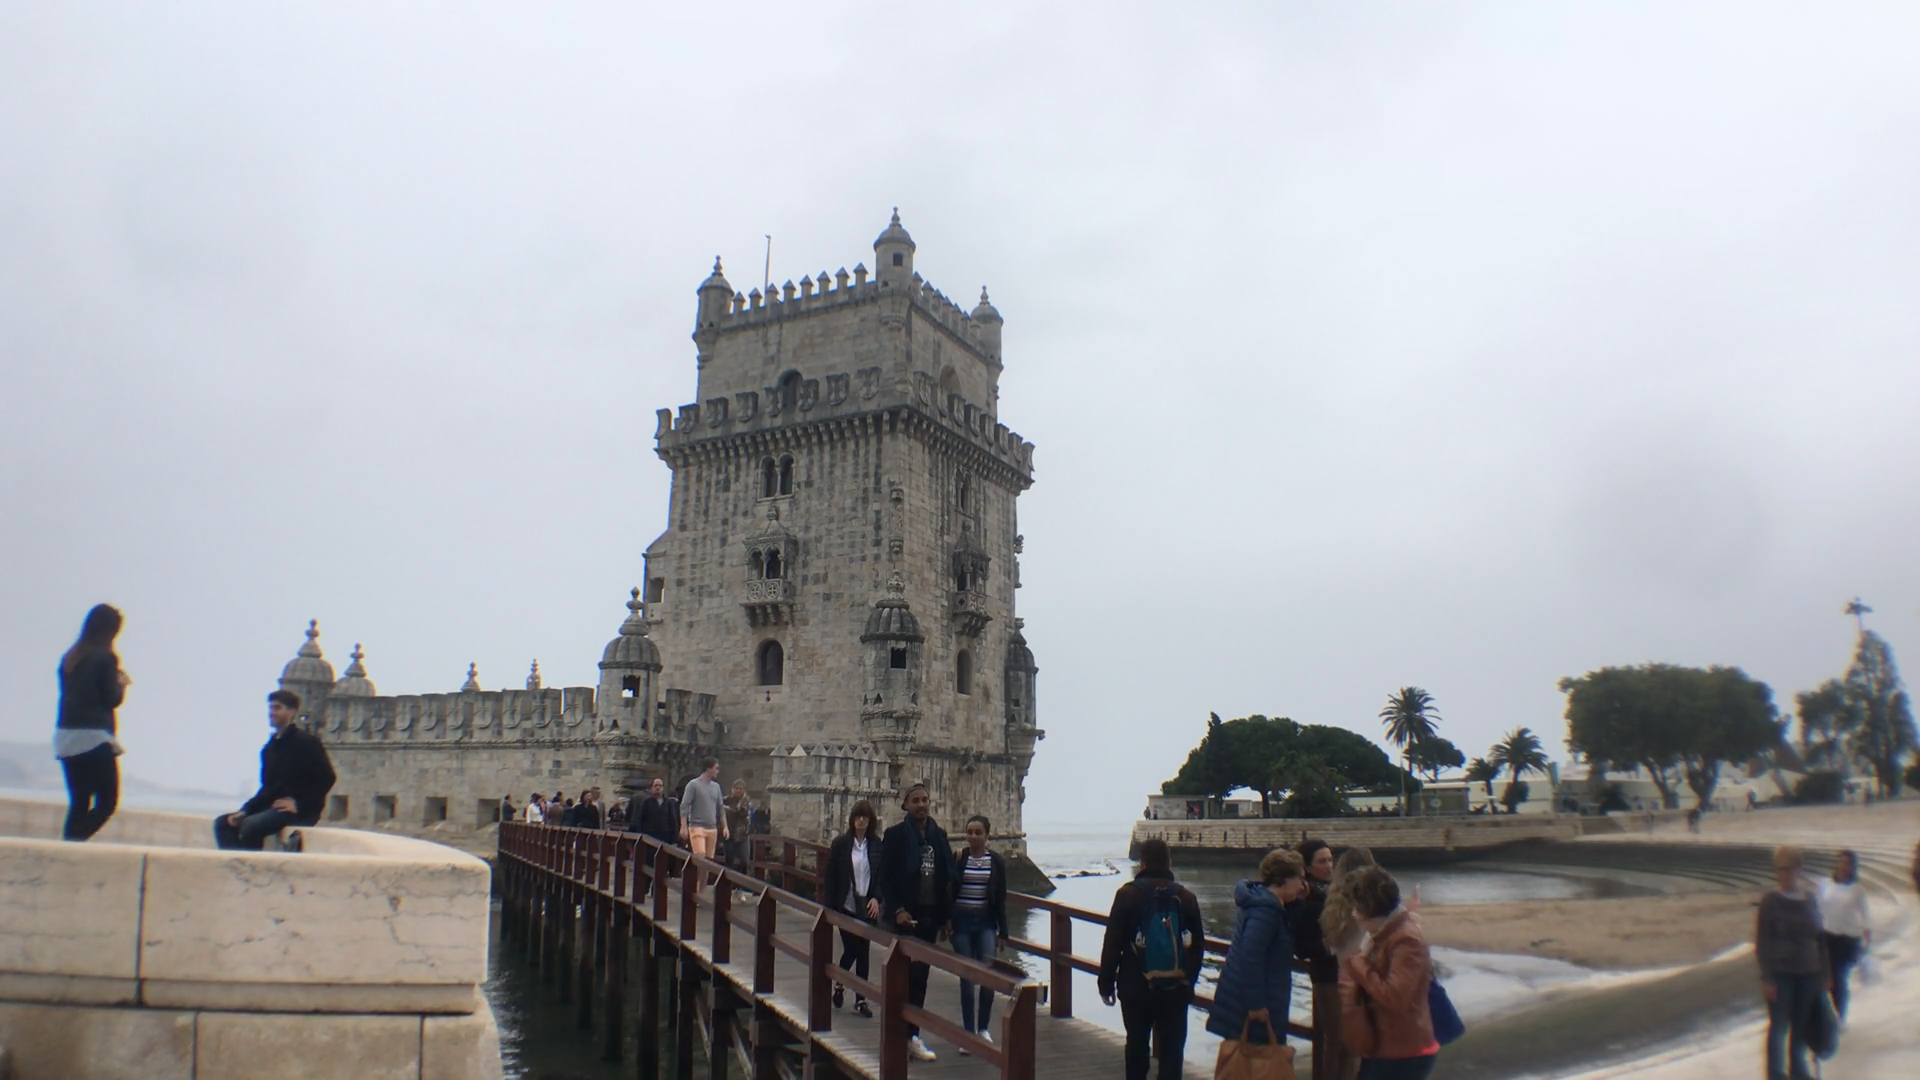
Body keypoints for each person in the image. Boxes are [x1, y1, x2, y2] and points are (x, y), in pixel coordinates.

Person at [1099, 837, 1204, 1080]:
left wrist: (1106, 983)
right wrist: (1189, 980)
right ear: (1169, 862)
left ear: (1142, 862)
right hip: (1176, 987)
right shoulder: (1186, 897)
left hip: (1136, 985)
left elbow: (1112, 942)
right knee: (1172, 1052)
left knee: (1136, 1045)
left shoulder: (1127, 895)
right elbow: (1198, 945)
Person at [1338, 867, 1438, 1080]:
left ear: (1370, 908)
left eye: (1358, 908)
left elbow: (1395, 997)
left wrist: (1358, 965)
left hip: (1403, 1050)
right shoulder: (1383, 934)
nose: (1355, 915)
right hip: (1386, 1044)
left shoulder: (1405, 940)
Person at [879, 783, 955, 1062]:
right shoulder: (895, 836)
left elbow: (945, 880)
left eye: (925, 800)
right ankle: (899, 1033)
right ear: (905, 806)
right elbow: (883, 879)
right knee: (903, 977)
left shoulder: (938, 836)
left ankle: (912, 1035)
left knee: (921, 978)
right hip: (904, 918)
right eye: (916, 801)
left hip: (929, 917)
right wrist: (897, 909)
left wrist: (946, 917)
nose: (922, 805)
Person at [1207, 848, 1308, 1051]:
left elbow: (1285, 929)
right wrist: (1256, 1005)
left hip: (1242, 1000)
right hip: (1254, 1006)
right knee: (1259, 1063)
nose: (1303, 885)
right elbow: (1251, 956)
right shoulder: (1266, 911)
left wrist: (1297, 902)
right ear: (1284, 879)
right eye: (1300, 879)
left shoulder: (1265, 902)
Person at [214, 690, 336, 850]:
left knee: (251, 826)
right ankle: (239, 865)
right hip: (272, 809)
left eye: (277, 708)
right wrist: (244, 811)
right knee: (223, 823)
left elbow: (327, 777)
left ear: (291, 711)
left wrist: (299, 804)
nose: (272, 713)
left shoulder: (306, 742)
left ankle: (253, 868)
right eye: (270, 708)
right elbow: (267, 790)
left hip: (297, 812)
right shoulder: (269, 749)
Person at [55, 604, 129, 842]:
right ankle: (74, 842)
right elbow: (111, 699)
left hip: (65, 736)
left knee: (79, 800)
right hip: (94, 737)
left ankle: (69, 846)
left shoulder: (71, 657)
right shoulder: (106, 658)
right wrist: (121, 682)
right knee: (107, 802)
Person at [1757, 845, 1826, 1080]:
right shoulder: (1770, 901)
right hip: (1781, 972)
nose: (1784, 874)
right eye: (1779, 869)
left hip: (1808, 972)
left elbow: (1819, 938)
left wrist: (1824, 974)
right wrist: (1767, 977)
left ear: (1799, 869)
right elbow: (1762, 941)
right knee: (1779, 1026)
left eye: (1788, 869)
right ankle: (1775, 1073)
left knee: (1800, 1025)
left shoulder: (1810, 899)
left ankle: (1798, 1069)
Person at [950, 814, 1010, 1052]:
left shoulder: (995, 862)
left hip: (985, 921)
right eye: (969, 832)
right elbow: (949, 889)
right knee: (967, 977)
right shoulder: (959, 858)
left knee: (987, 975)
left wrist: (1003, 931)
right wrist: (946, 921)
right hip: (961, 922)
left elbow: (1000, 898)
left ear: (987, 835)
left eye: (978, 832)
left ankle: (983, 1028)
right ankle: (968, 1033)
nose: (973, 836)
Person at [1292, 839, 1350, 1080]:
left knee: (1346, 1041)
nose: (1329, 865)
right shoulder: (1305, 898)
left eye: (1330, 859)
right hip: (1326, 975)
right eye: (1322, 861)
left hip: (1345, 974)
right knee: (1338, 1042)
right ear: (1307, 867)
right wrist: (1331, 947)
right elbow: (1302, 947)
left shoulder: (1333, 891)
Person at [823, 800, 883, 1018]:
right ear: (852, 819)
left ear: (870, 821)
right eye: (858, 817)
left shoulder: (876, 845)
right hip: (846, 905)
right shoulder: (841, 843)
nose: (861, 821)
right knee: (852, 949)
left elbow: (880, 876)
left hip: (866, 906)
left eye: (865, 817)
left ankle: (860, 999)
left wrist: (877, 898)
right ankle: (841, 984)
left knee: (863, 952)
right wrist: (829, 908)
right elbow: (831, 876)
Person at [1817, 848, 1869, 1021]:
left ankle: (1840, 1016)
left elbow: (1865, 916)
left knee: (1839, 977)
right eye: (1842, 862)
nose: (1844, 867)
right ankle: (1830, 1014)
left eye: (1848, 864)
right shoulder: (1825, 884)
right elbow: (1817, 908)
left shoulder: (1857, 890)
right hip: (1827, 937)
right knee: (1827, 977)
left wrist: (1867, 941)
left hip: (1848, 940)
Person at [680, 758, 728, 862]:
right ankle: (698, 878)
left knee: (709, 861)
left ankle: (701, 879)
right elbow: (684, 805)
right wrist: (683, 826)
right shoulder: (693, 784)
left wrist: (725, 827)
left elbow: (720, 808)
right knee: (701, 857)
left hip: (712, 828)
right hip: (697, 826)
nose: (718, 771)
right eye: (716, 768)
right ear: (708, 768)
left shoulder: (716, 787)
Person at [724, 780, 753, 874]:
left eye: (740, 789)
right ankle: (729, 885)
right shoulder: (726, 800)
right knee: (729, 860)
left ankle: (742, 884)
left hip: (742, 835)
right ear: (732, 789)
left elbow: (742, 812)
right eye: (736, 788)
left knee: (745, 861)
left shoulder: (746, 801)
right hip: (729, 834)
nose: (738, 791)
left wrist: (728, 809)